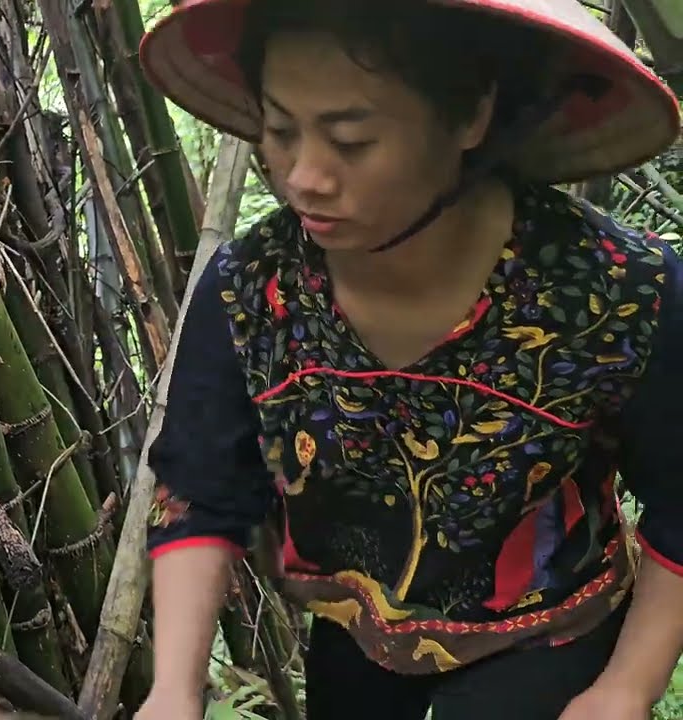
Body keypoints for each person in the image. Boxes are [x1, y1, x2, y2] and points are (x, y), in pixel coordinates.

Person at [133, 0, 683, 718]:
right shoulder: (252, 290)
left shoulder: (617, 292)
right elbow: (200, 486)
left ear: (470, 115)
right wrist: (173, 691)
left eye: (351, 140)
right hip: (358, 628)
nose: (303, 176)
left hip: (550, 635)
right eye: (281, 130)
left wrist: (628, 688)